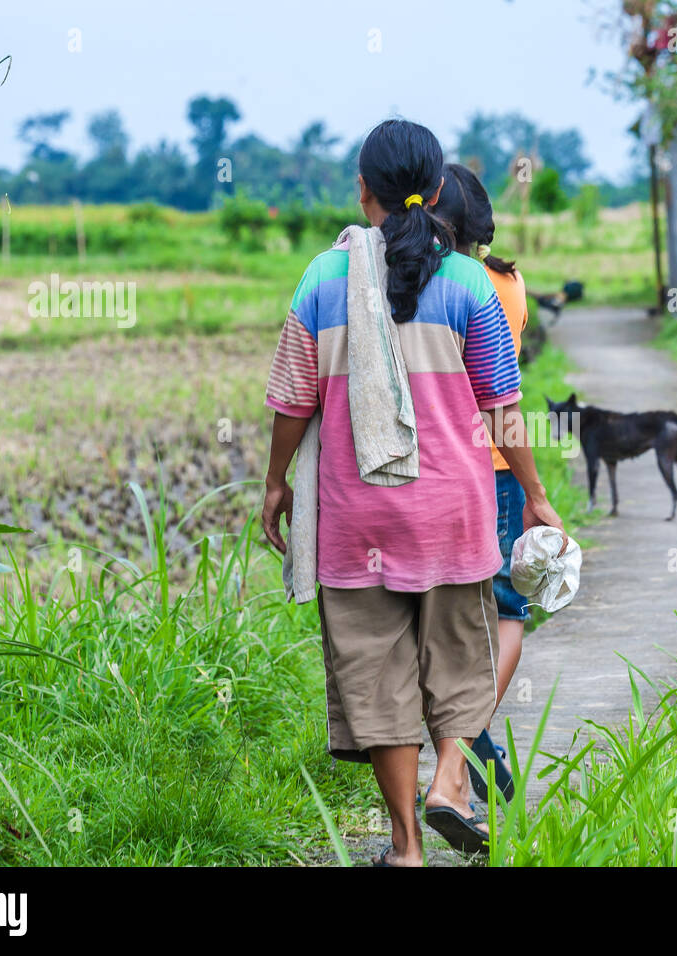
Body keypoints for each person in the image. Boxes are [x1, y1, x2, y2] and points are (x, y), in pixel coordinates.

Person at [260, 120, 566, 866]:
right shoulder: (467, 281)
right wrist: (535, 494)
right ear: (433, 194)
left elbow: (294, 401)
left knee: (377, 671)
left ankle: (404, 848)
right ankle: (450, 781)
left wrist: (274, 485)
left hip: (355, 516)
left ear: (362, 190)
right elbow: (503, 406)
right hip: (453, 513)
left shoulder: (320, 278)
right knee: (459, 659)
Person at [430, 163, 531, 803]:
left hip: (440, 472)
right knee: (509, 607)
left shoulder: (433, 284)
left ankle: (461, 737)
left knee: (449, 615)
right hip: (500, 470)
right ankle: (470, 735)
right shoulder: (509, 282)